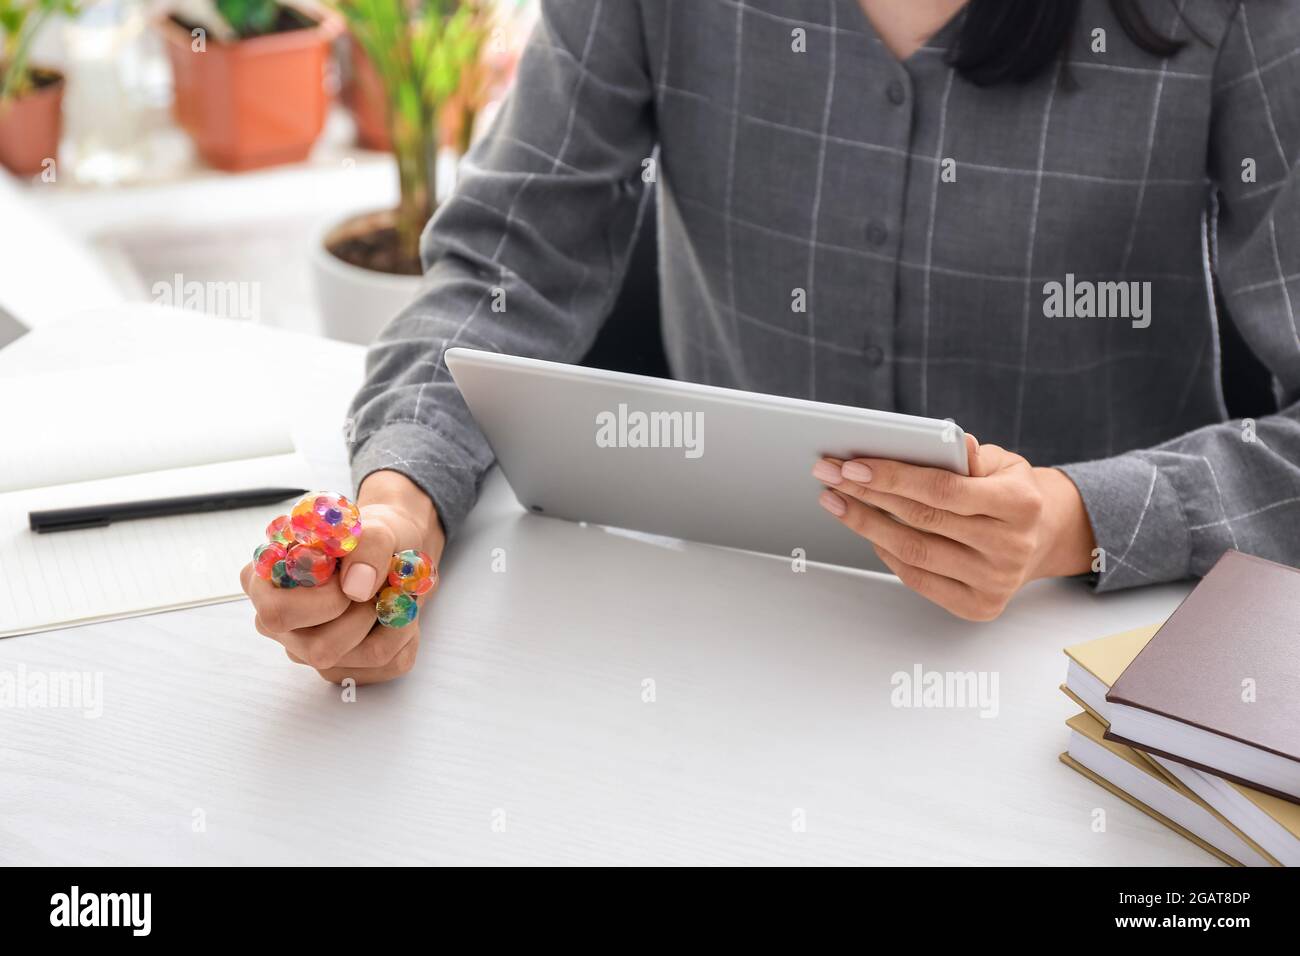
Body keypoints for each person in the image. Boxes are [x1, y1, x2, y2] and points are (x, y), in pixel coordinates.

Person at [241, 0, 1300, 683]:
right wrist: (398, 504)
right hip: (734, 647)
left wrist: (1077, 517)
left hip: (1098, 664)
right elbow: (504, 267)